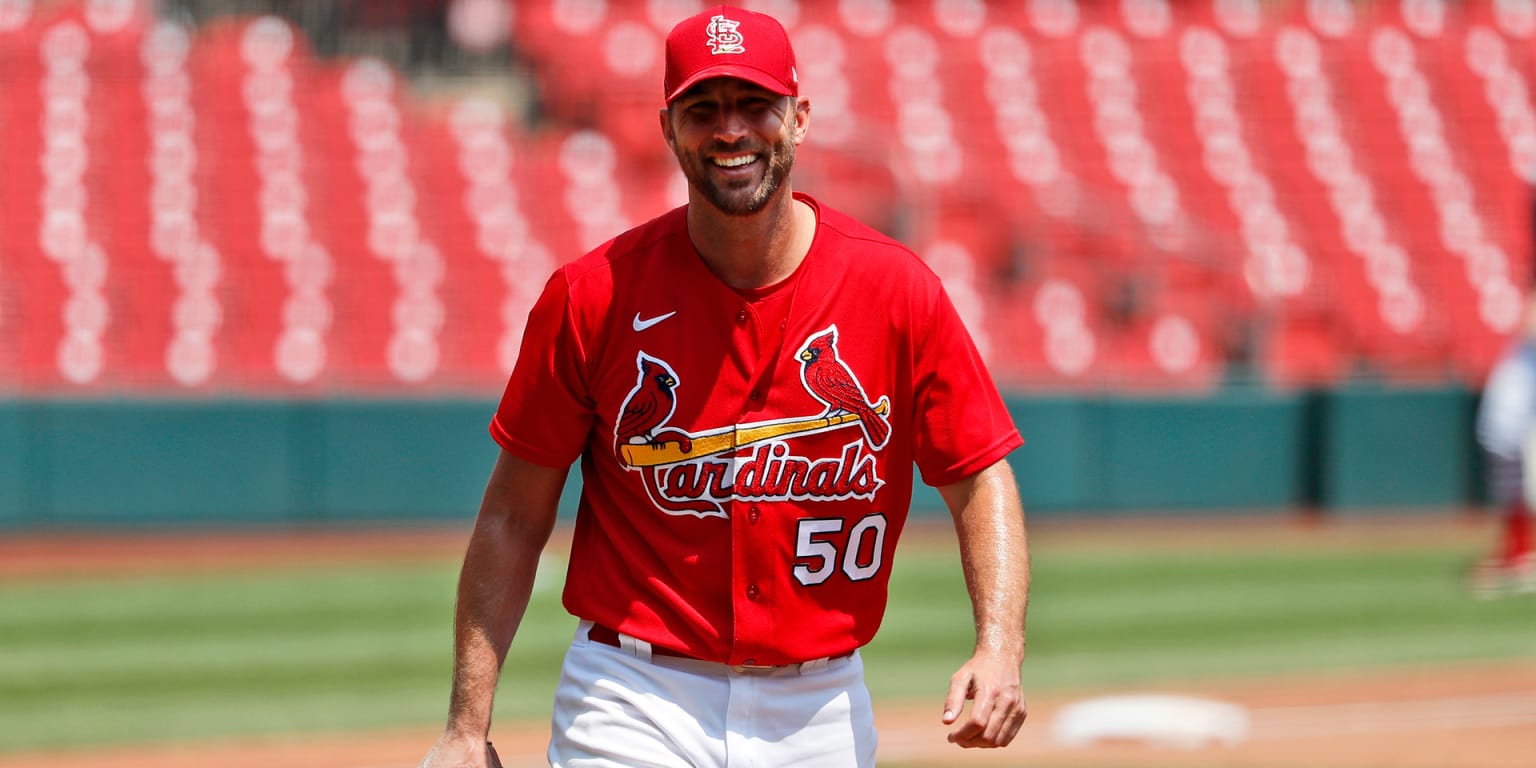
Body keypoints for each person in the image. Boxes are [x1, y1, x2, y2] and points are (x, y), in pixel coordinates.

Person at [419, 6, 1031, 766]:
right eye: (703, 110)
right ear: (669, 127)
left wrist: (999, 647)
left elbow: (980, 474)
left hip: (819, 705)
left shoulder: (895, 290)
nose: (731, 131)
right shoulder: (593, 296)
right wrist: (464, 727)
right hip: (633, 697)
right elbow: (513, 517)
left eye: (755, 105)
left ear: (799, 118)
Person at [1472, 292, 1536, 597]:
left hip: (1519, 418)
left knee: (1522, 488)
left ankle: (1521, 554)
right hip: (1512, 419)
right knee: (1516, 488)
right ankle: (1520, 553)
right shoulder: (1521, 357)